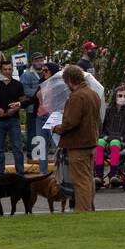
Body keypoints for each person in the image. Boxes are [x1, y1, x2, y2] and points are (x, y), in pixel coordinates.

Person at [53, 66, 100, 212]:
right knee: (88, 178)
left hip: (78, 143)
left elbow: (71, 122)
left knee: (80, 181)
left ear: (69, 80)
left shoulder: (77, 96)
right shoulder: (92, 94)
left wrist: (56, 128)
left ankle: (83, 210)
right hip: (90, 141)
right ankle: (89, 208)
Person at [0, 61, 31, 174]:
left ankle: (20, 173)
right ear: (1, 71)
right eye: (5, 69)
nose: (7, 71)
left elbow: (22, 100)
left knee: (17, 148)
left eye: (9, 69)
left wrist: (15, 109)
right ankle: (0, 173)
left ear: (12, 70)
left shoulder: (18, 84)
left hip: (13, 119)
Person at [20, 53, 46, 146]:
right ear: (32, 62)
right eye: (37, 60)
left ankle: (43, 151)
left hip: (45, 108)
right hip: (32, 108)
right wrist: (41, 93)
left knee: (43, 132)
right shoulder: (27, 74)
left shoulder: (46, 72)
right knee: (33, 131)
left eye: (41, 60)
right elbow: (25, 90)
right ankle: (32, 153)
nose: (40, 62)